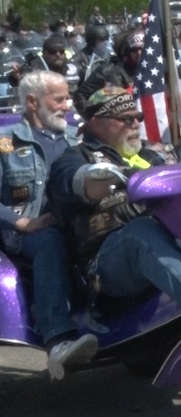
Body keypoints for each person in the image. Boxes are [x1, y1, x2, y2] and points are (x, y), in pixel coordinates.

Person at [48, 87, 181, 323]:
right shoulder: (75, 157)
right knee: (140, 233)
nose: (136, 124)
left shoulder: (155, 154)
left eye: (137, 117)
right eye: (126, 119)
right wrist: (108, 178)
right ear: (97, 123)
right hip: (105, 266)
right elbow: (78, 181)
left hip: (172, 240)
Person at [0, 72, 94, 379]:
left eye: (67, 98)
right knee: (50, 238)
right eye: (59, 99)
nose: (67, 105)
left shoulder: (76, 141)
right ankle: (57, 339)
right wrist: (23, 222)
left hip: (74, 225)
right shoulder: (5, 142)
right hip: (24, 234)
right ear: (32, 102)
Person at [74, 31, 142, 112]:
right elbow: (80, 96)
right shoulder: (108, 71)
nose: (139, 53)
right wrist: (92, 118)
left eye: (142, 48)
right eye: (134, 50)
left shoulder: (148, 70)